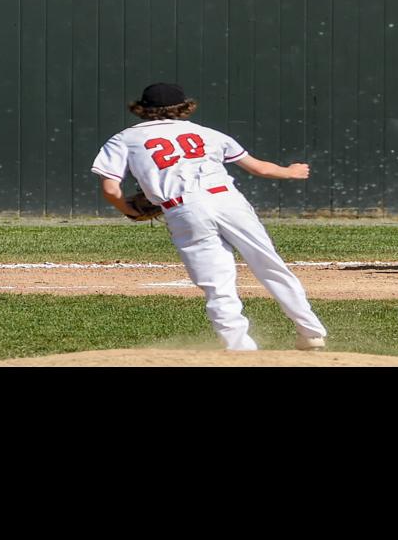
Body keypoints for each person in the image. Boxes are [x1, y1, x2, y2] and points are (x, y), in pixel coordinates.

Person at [90, 83, 328, 352]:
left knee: (218, 283)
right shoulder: (206, 133)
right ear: (183, 107)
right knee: (269, 265)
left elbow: (111, 189)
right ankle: (311, 332)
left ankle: (241, 348)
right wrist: (290, 171)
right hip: (228, 200)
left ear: (142, 109)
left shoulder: (124, 139)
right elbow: (259, 168)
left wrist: (130, 211)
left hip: (184, 208)